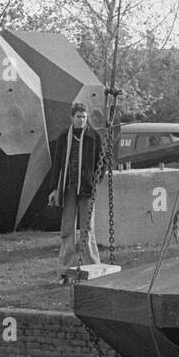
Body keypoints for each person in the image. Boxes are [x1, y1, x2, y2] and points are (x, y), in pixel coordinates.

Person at [49, 101, 103, 280]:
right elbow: (57, 164)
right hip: (68, 187)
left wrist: (95, 181)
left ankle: (92, 269)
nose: (82, 120)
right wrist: (54, 189)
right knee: (67, 230)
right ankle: (65, 270)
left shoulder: (94, 136)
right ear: (72, 117)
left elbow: (102, 163)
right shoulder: (64, 136)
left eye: (84, 117)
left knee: (87, 229)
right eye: (79, 117)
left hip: (87, 188)